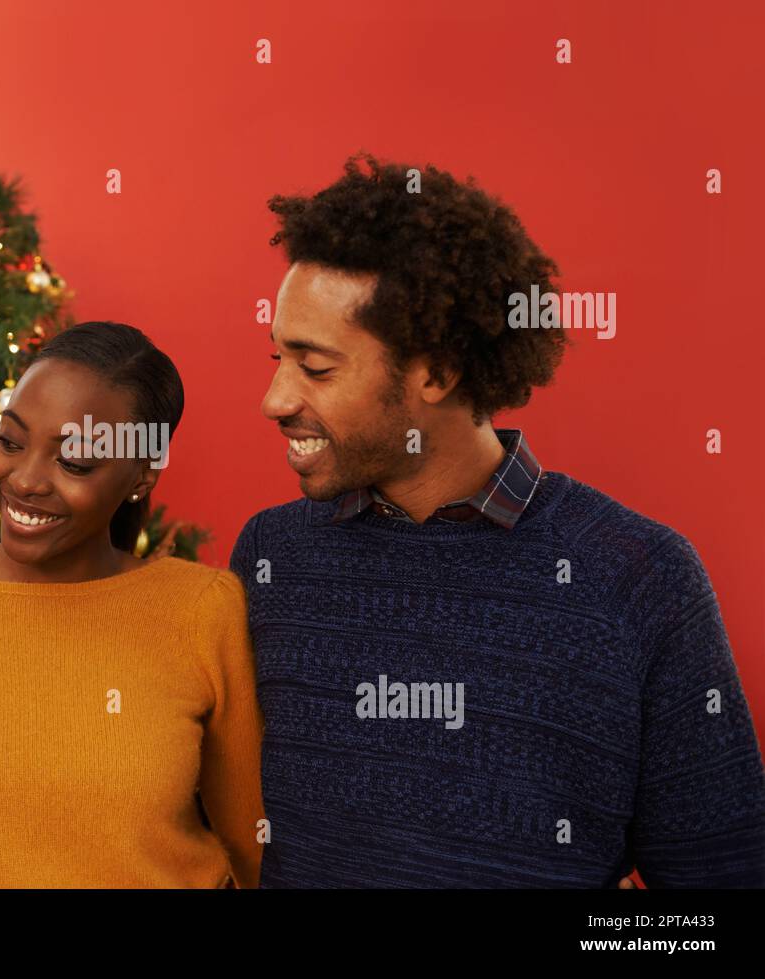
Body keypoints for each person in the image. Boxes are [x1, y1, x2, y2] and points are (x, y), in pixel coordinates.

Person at [231, 153, 765, 887]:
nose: (275, 398)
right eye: (276, 357)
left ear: (439, 372)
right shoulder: (271, 557)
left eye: (316, 367)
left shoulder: (639, 579)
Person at [0, 321, 265, 887]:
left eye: (74, 463)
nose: (24, 480)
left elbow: (254, 847)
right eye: (11, 441)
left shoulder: (204, 609)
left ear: (143, 474)